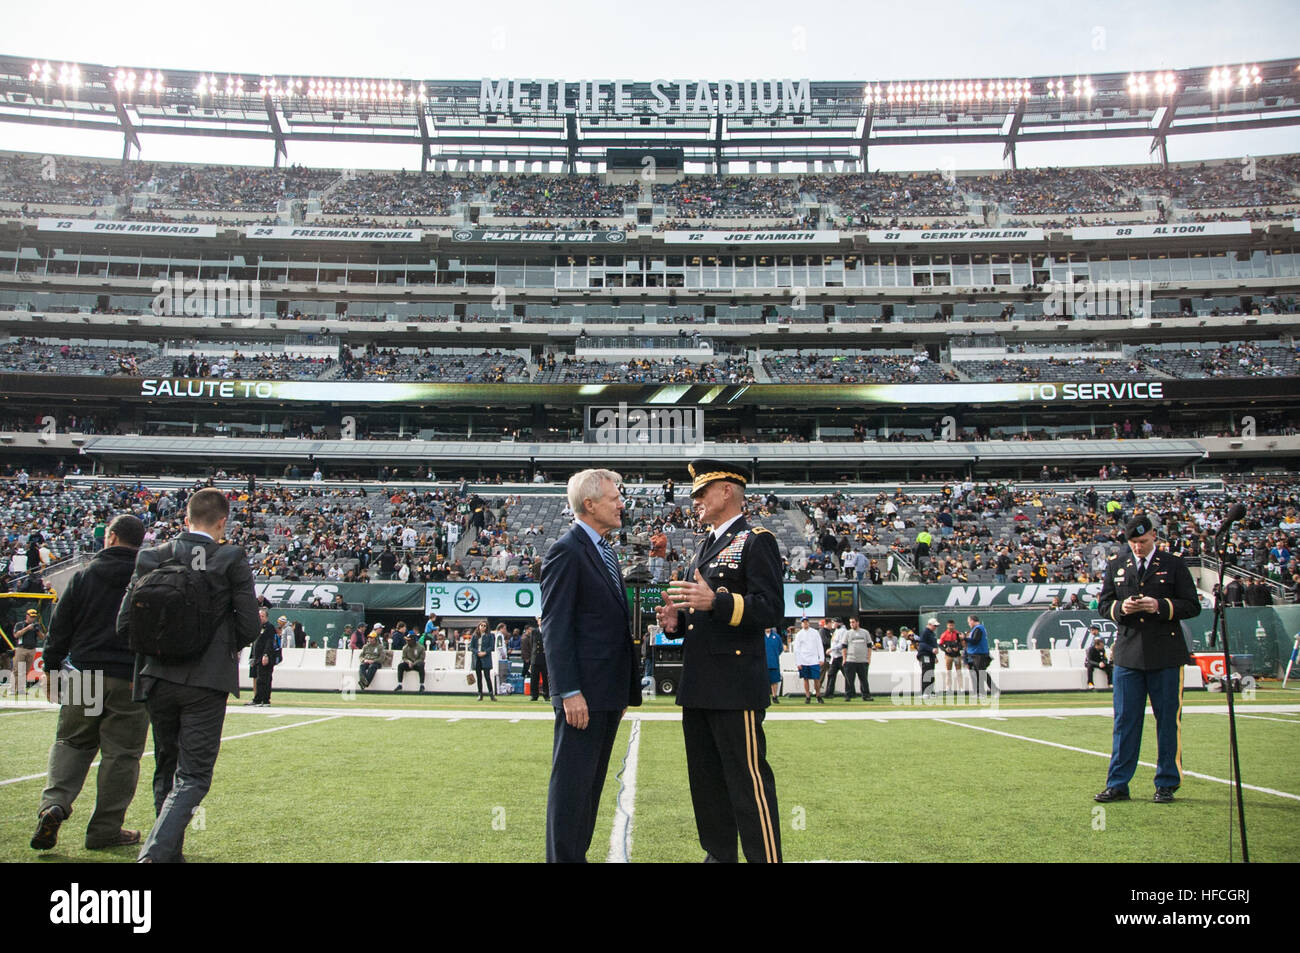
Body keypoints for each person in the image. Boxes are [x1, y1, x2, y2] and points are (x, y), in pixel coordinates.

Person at [116, 487, 259, 862]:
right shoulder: (231, 557)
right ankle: (154, 855)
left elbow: (124, 623)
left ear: (185, 518)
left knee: (166, 767)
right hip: (206, 681)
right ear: (223, 521)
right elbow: (248, 626)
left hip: (156, 677)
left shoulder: (151, 556)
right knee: (193, 776)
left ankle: (168, 855)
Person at [657, 459, 782, 863]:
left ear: (727, 490)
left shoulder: (756, 540)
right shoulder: (704, 545)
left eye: (702, 492)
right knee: (707, 786)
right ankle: (719, 856)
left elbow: (771, 609)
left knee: (748, 784)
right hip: (699, 684)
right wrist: (676, 621)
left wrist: (719, 602)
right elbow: (701, 614)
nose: (694, 500)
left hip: (734, 686)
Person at [31, 515, 149, 852]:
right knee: (121, 756)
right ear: (140, 542)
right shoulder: (148, 577)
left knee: (72, 743)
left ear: (110, 537)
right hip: (129, 678)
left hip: (85, 674)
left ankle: (54, 804)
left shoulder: (84, 576)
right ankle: (105, 830)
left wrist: (52, 669)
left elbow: (60, 628)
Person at [541, 468, 641, 862]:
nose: (622, 504)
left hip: (606, 693)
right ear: (590, 503)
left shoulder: (605, 550)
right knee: (571, 791)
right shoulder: (567, 550)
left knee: (589, 792)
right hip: (582, 695)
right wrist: (568, 690)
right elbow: (555, 624)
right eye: (615, 497)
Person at [1094, 514, 1201, 805]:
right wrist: (1121, 607)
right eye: (1133, 542)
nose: (1138, 547)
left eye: (1142, 541)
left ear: (1154, 535)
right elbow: (1104, 604)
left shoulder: (1173, 564)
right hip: (1128, 654)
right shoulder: (1117, 565)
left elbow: (1192, 605)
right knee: (1125, 721)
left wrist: (1159, 605)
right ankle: (1118, 783)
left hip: (1165, 654)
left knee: (1167, 721)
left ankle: (1166, 783)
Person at [247, 607, 277, 707]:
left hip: (265, 657)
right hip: (257, 657)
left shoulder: (269, 627)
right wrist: (252, 657)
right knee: (258, 679)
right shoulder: (258, 627)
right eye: (259, 616)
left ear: (266, 617)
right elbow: (255, 644)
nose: (260, 618)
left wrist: (266, 655)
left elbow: (269, 643)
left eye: (262, 616)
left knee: (264, 679)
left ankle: (265, 699)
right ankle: (257, 699)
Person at [11, 607, 45, 694]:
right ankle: (13, 689)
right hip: (21, 649)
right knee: (17, 669)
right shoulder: (20, 624)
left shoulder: (36, 625)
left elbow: (42, 638)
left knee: (25, 670)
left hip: (32, 649)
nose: (32, 618)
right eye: (31, 616)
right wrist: (27, 629)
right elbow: (16, 635)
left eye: (34, 617)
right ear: (27, 616)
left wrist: (37, 631)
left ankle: (21, 689)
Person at [792, 618, 824, 704]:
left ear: (808, 623)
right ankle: (807, 696)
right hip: (803, 659)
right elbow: (796, 649)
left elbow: (819, 646)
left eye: (806, 622)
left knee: (816, 678)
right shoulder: (799, 634)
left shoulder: (815, 633)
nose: (805, 624)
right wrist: (798, 662)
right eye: (803, 622)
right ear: (801, 624)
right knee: (805, 679)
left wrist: (821, 658)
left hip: (814, 659)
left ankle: (818, 695)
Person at [841, 617, 873, 701]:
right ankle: (848, 695)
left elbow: (869, 646)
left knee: (864, 679)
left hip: (862, 660)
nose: (851, 624)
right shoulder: (847, 633)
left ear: (857, 622)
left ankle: (866, 695)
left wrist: (869, 658)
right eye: (850, 622)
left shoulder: (865, 632)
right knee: (849, 680)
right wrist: (844, 659)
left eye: (853, 622)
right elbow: (844, 646)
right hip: (850, 659)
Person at [964, 614, 992, 697]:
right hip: (976, 653)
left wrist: (964, 638)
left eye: (969, 622)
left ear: (972, 621)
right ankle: (980, 692)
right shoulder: (978, 629)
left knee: (981, 672)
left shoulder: (978, 629)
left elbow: (975, 640)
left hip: (979, 654)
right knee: (979, 673)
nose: (969, 624)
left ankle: (993, 690)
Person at [469, 621, 495, 701]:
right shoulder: (475, 635)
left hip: (486, 658)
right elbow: (471, 647)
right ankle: (480, 694)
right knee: (479, 677)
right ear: (479, 626)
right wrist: (477, 652)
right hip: (477, 658)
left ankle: (491, 694)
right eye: (482, 625)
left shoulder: (490, 636)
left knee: (487, 677)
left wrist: (485, 652)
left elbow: (491, 646)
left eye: (485, 626)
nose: (483, 627)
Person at [915, 618, 940, 698]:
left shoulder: (932, 633)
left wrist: (934, 656)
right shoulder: (925, 632)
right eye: (934, 626)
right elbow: (922, 644)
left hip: (930, 655)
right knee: (926, 672)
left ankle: (930, 691)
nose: (935, 627)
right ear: (929, 624)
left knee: (931, 673)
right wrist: (932, 649)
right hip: (924, 654)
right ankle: (925, 692)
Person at [938, 618, 964, 693]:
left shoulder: (957, 634)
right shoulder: (944, 634)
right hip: (948, 656)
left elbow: (962, 644)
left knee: (959, 671)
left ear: (954, 625)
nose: (951, 627)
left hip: (957, 655)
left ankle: (961, 687)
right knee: (948, 671)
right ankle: (948, 686)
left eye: (952, 625)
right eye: (950, 625)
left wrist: (958, 648)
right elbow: (940, 645)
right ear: (947, 626)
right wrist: (945, 649)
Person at [765, 627, 785, 704]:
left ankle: (774, 696)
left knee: (774, 681)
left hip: (774, 662)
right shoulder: (760, 636)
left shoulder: (776, 636)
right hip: (763, 662)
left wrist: (774, 655)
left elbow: (780, 648)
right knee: (764, 680)